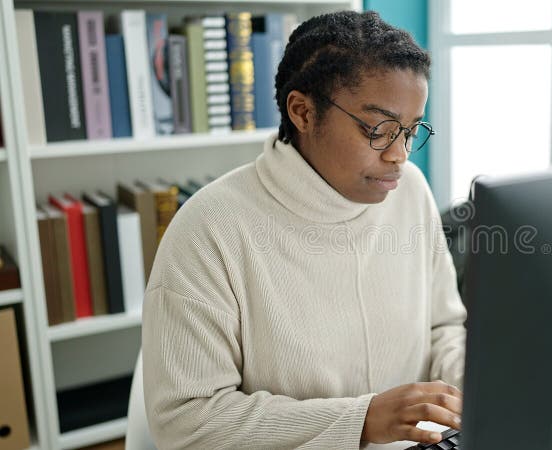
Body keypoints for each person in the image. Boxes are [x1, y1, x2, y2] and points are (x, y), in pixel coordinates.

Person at [142, 10, 467, 449]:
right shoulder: (209, 230)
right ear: (303, 111)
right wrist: (362, 420)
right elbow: (186, 422)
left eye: (411, 130)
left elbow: (442, 326)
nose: (400, 155)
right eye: (381, 129)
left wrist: (480, 387)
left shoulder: (410, 191)